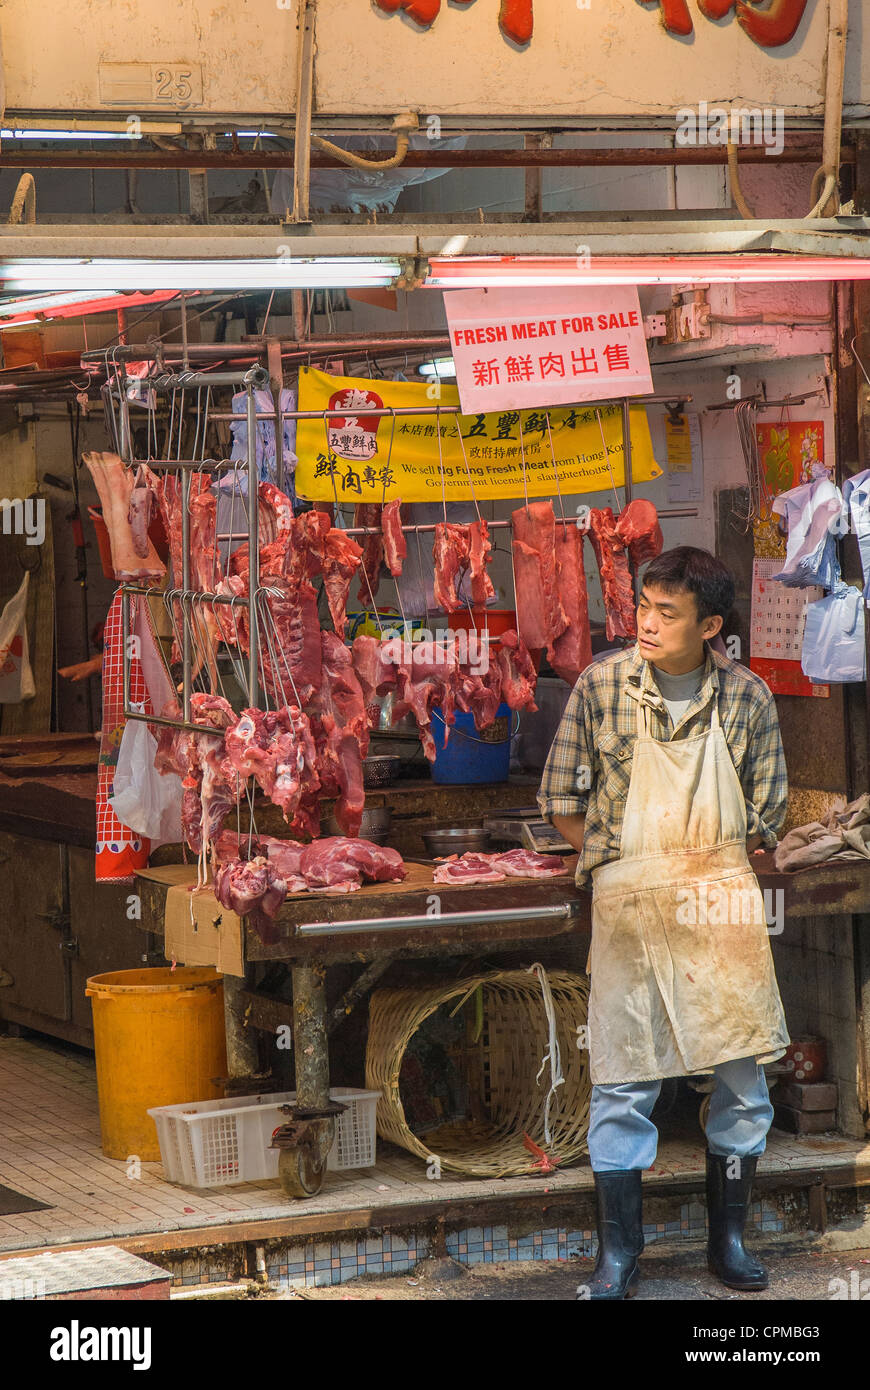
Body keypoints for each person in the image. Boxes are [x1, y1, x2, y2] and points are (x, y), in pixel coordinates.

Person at [537, 546, 789, 1300]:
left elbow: (768, 813)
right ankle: (619, 1257)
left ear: (710, 625)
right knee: (624, 1081)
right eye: (643, 607)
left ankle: (731, 1241)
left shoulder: (748, 698)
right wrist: (623, 863)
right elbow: (560, 802)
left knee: (742, 1079)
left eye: (667, 612)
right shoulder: (601, 685)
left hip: (722, 906)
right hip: (629, 906)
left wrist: (700, 867)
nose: (646, 623)